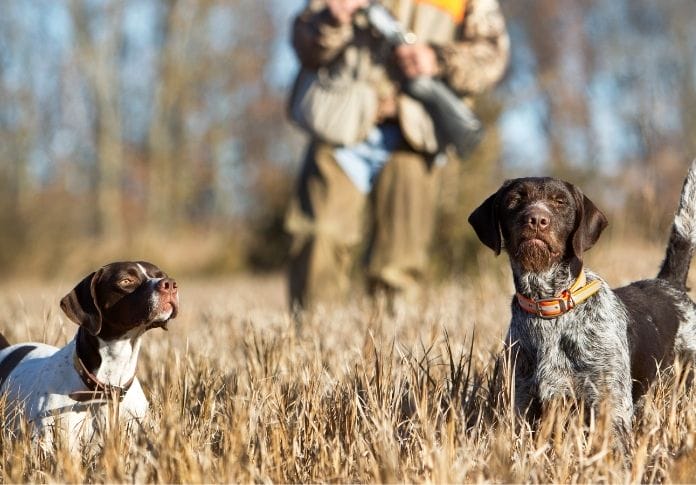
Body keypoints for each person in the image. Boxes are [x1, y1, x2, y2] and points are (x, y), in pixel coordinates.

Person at [285, 0, 509, 312]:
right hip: (340, 121)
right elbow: (303, 45)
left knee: (399, 265)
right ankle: (309, 344)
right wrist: (331, 19)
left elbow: (493, 56)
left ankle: (391, 351)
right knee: (318, 241)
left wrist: (438, 59)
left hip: (416, 129)